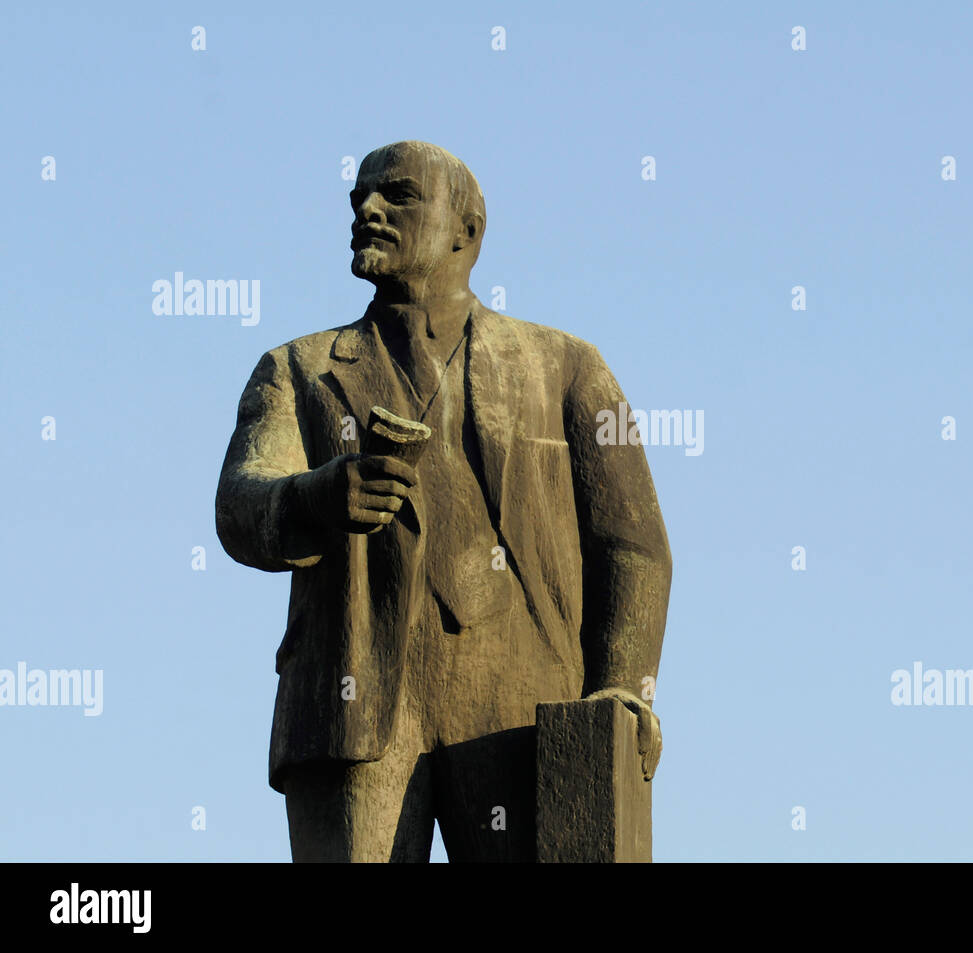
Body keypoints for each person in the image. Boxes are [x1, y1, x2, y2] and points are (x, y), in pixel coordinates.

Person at [215, 141, 670, 862]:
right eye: (359, 199)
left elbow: (633, 543)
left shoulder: (564, 367)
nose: (367, 210)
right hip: (351, 710)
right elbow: (241, 505)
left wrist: (621, 683)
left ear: (467, 231)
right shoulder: (296, 369)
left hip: (523, 716)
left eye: (396, 195)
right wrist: (318, 494)